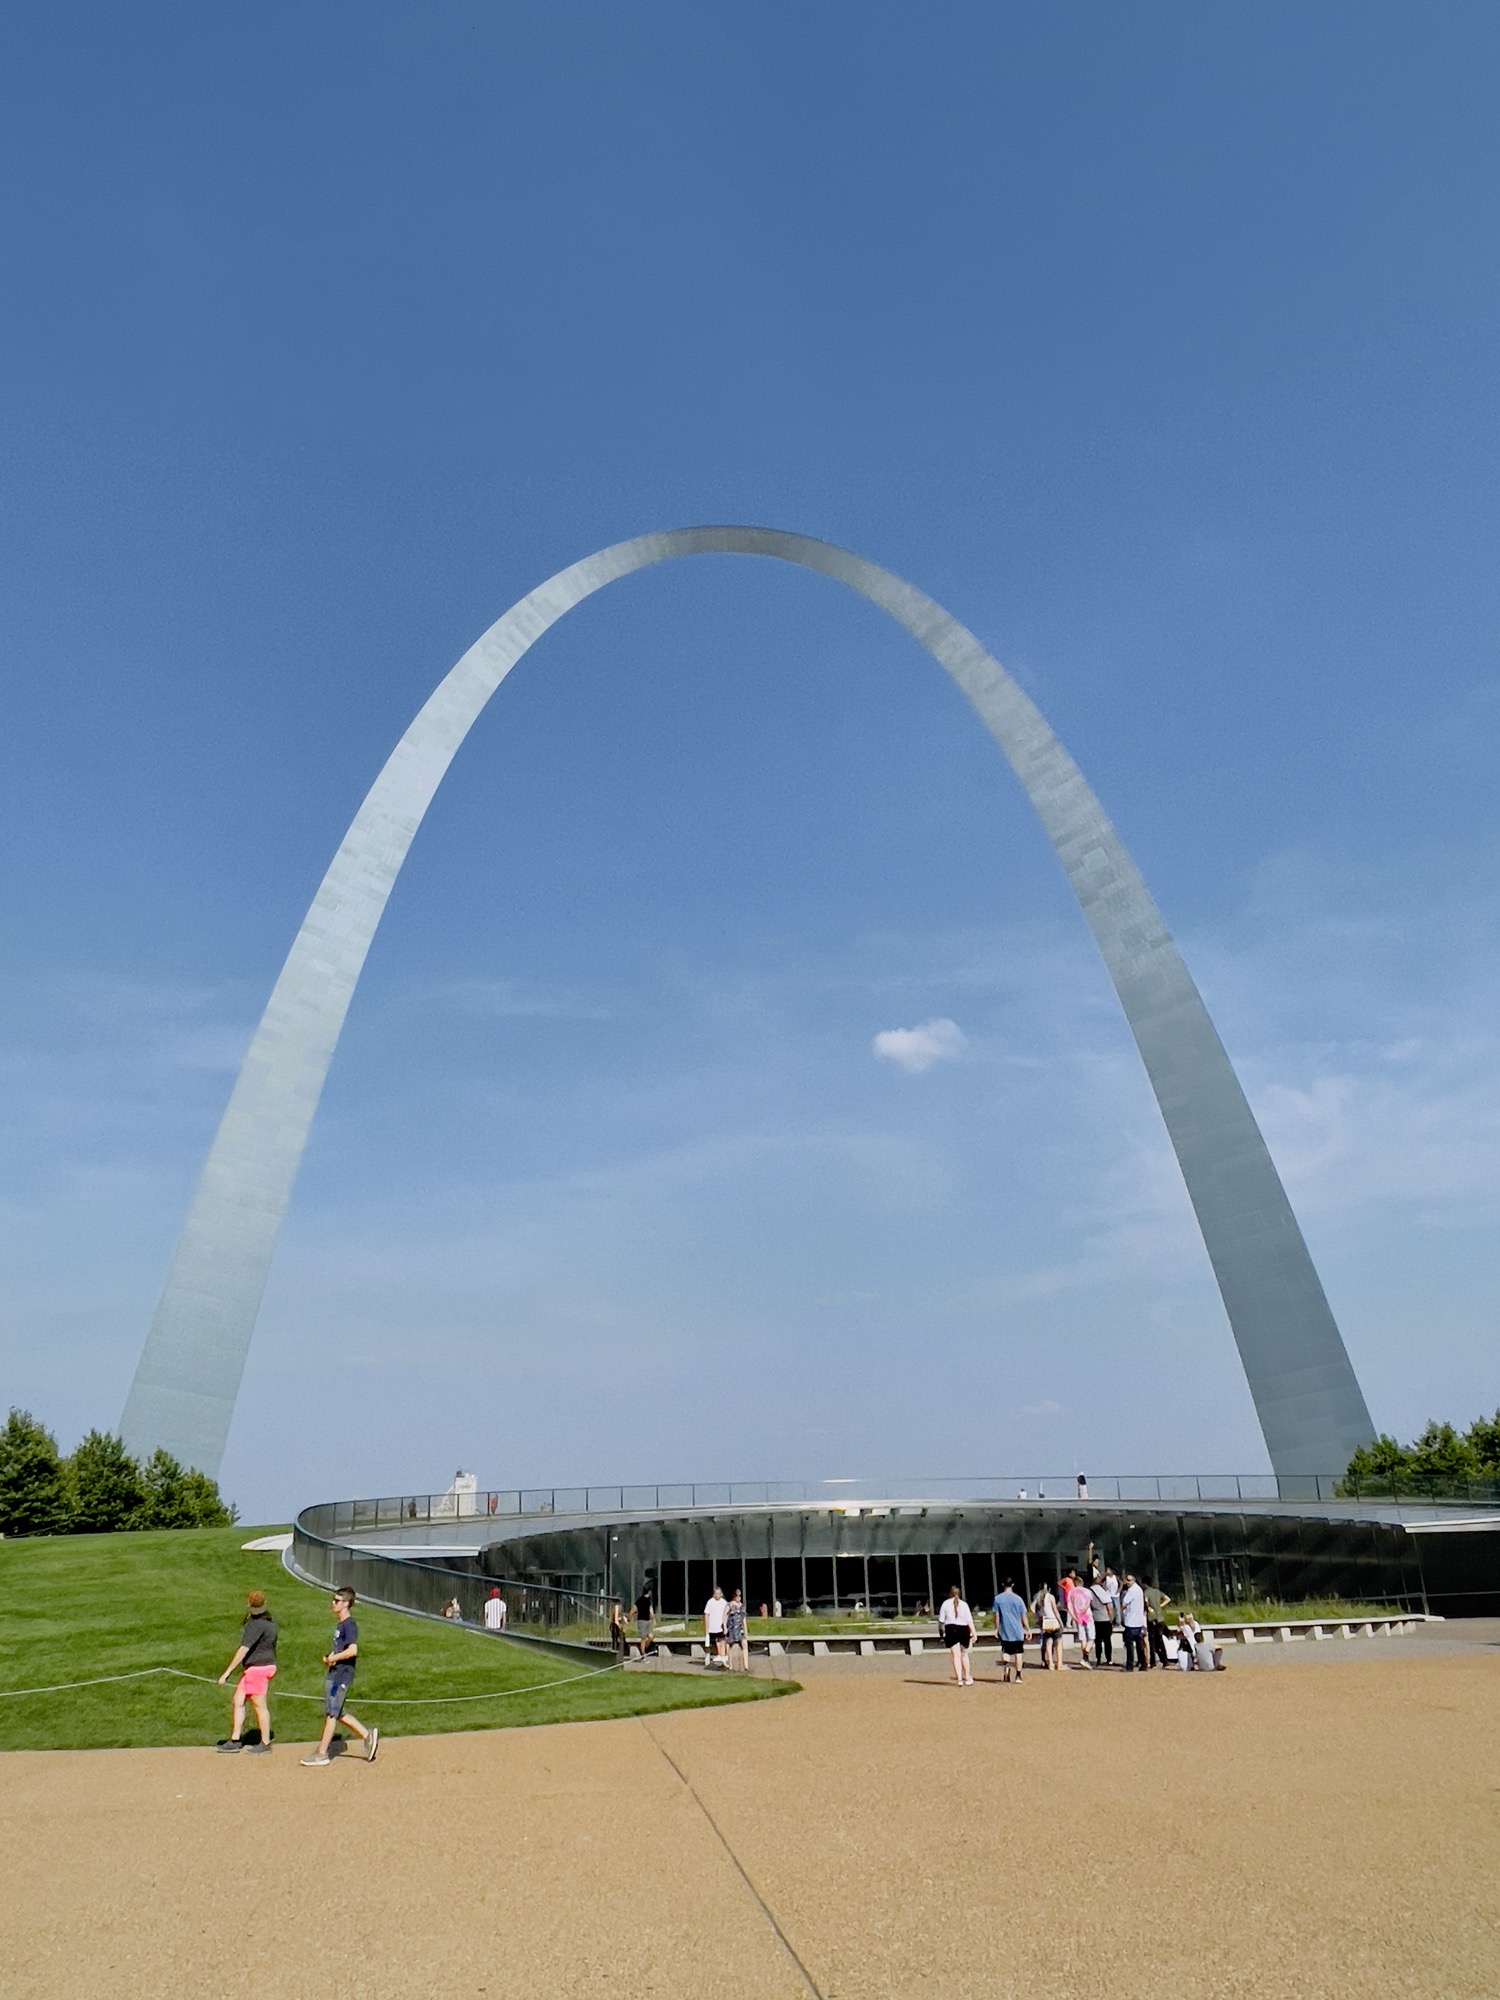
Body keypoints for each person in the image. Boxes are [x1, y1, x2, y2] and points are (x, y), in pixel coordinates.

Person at [301, 1588, 378, 1766]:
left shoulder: (349, 1625)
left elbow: (352, 1650)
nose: (333, 1603)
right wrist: (330, 1657)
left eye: (336, 1601)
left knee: (331, 1714)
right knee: (337, 1711)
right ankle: (367, 1736)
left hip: (340, 1678)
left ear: (345, 1604)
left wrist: (333, 1658)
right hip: (334, 1674)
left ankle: (321, 1754)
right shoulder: (340, 1625)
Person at [217, 1588, 277, 1752]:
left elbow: (243, 1649)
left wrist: (227, 1673)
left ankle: (265, 1743)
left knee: (259, 1706)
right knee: (238, 1701)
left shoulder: (255, 1626)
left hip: (256, 1670)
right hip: (259, 1668)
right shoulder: (270, 1623)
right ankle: (235, 1739)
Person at [992, 1577, 1030, 1684]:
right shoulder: (1018, 1599)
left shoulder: (998, 1599)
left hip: (1005, 1630)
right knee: (1018, 1653)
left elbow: (997, 1615)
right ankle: (1018, 1675)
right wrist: (1027, 1628)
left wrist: (996, 1628)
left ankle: (1006, 1669)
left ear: (1003, 1585)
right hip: (1017, 1630)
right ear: (1013, 1585)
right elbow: (1023, 1616)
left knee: (1006, 1651)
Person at [940, 1584, 975, 1686]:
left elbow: (941, 1621)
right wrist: (974, 1632)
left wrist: (941, 1634)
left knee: (956, 1655)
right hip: (963, 1629)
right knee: (964, 1654)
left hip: (950, 1629)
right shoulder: (964, 1605)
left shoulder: (945, 1604)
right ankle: (967, 1676)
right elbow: (969, 1620)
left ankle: (959, 1679)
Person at [1119, 1571, 1148, 1672]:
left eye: (1129, 1580)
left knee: (1129, 1645)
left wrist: (1122, 1610)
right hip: (1138, 1621)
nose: (1127, 1582)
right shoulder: (1139, 1590)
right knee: (1139, 1645)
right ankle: (1143, 1663)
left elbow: (1124, 1603)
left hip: (1130, 1621)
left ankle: (1130, 1665)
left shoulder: (1131, 1591)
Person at [1032, 1579, 1063, 1671]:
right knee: (1058, 1641)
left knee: (1048, 1642)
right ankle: (1059, 1664)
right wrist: (1060, 1621)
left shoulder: (1037, 1597)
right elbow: (1055, 1610)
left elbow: (1031, 1607)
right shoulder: (1050, 1597)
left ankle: (1050, 1663)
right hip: (1053, 1620)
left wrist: (1039, 1616)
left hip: (1045, 1621)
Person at [1065, 1572, 1094, 1668]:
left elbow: (1069, 1606)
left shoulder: (1071, 1592)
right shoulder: (1087, 1591)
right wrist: (1083, 1611)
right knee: (1091, 1637)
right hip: (1087, 1616)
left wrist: (1074, 1616)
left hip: (1077, 1617)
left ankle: (1085, 1657)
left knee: (1083, 1638)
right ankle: (1086, 1656)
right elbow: (1087, 1604)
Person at [1090, 1572, 1116, 1666]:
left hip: (1095, 1618)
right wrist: (1111, 1617)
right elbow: (1109, 1604)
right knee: (1107, 1640)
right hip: (1104, 1618)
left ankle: (1098, 1659)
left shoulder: (1089, 1590)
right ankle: (1109, 1659)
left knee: (1097, 1641)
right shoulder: (1101, 1591)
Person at [703, 1586, 729, 1667]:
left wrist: (725, 1625)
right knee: (714, 1643)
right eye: (715, 1593)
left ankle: (723, 1657)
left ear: (721, 1594)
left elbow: (727, 1614)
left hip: (720, 1626)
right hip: (712, 1627)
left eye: (718, 1593)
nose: (717, 1595)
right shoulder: (710, 1602)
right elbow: (706, 1614)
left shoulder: (724, 1602)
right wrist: (706, 1626)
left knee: (722, 1641)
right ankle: (718, 1656)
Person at [724, 1588, 749, 1671]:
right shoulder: (729, 1605)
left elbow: (743, 1618)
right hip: (731, 1628)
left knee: (744, 1644)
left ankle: (746, 1666)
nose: (739, 1598)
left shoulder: (742, 1606)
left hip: (740, 1628)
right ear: (734, 1596)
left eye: (740, 1596)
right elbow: (724, 1616)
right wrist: (725, 1627)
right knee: (729, 1646)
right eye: (737, 1596)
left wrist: (746, 1629)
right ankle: (730, 1665)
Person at [632, 1582, 655, 1659]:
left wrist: (653, 1619)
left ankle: (642, 1649)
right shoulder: (640, 1600)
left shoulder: (649, 1600)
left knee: (650, 1637)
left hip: (648, 1621)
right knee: (643, 1638)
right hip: (641, 1621)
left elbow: (650, 1609)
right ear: (649, 1591)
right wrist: (630, 1616)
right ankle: (643, 1655)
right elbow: (634, 1609)